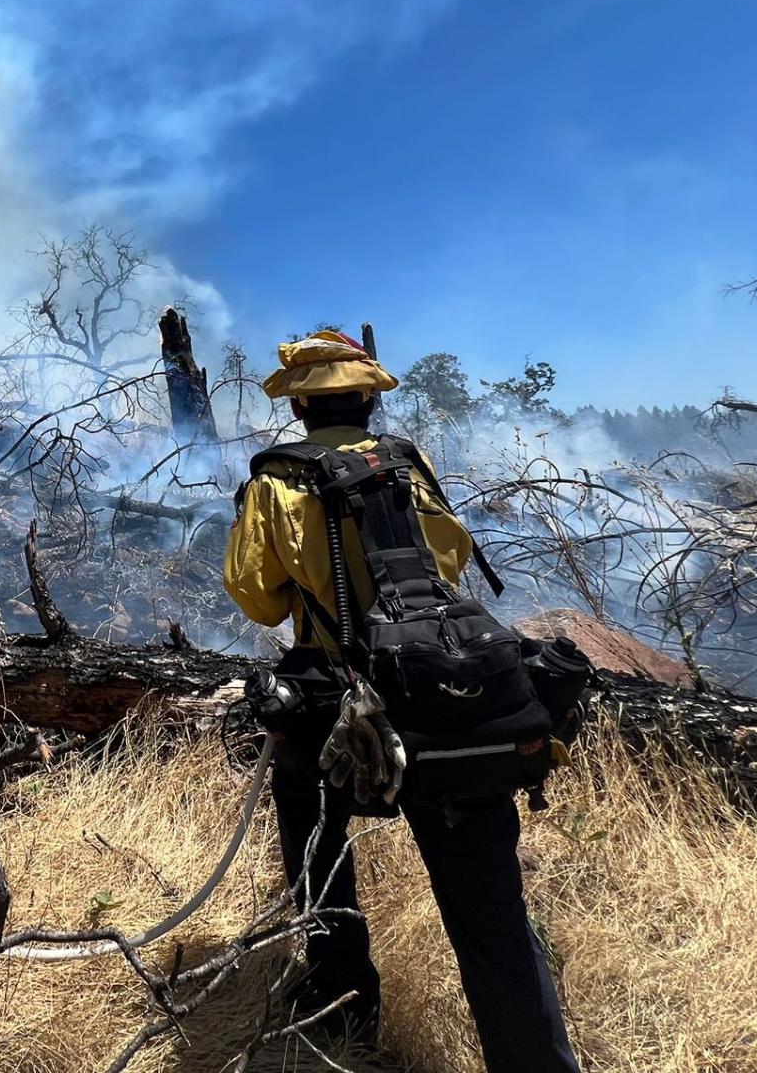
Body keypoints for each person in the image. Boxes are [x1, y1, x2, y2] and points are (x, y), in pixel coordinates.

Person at [223, 329, 581, 1072]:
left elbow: (258, 601)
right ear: (367, 398)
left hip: (337, 698)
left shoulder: (274, 484)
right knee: (494, 918)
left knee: (315, 833)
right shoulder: (408, 467)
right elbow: (449, 562)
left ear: (300, 410)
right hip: (443, 693)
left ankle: (342, 1007)